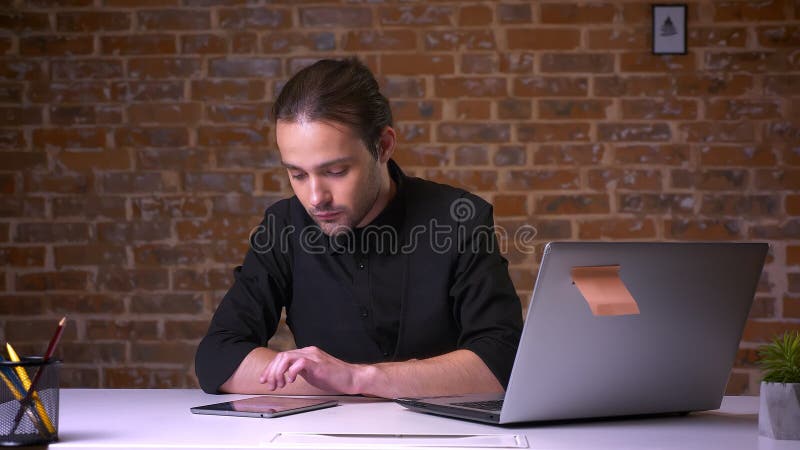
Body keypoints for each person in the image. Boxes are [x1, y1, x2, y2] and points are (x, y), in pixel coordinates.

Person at [194, 58, 523, 398]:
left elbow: (503, 361)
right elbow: (218, 356)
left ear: (383, 146)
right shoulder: (282, 226)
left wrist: (358, 379)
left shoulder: (459, 219)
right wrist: (327, 379)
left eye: (335, 171)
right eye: (297, 174)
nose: (315, 198)